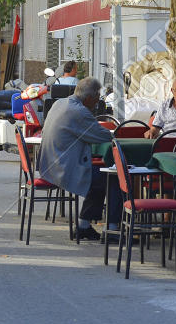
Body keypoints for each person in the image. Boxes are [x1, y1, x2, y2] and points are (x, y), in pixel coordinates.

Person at [35, 77, 121, 242]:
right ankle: (112, 229)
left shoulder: (61, 103)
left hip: (51, 165)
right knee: (114, 177)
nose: (97, 103)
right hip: (63, 168)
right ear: (89, 98)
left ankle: (84, 226)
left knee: (101, 176)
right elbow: (103, 136)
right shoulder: (79, 112)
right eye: (97, 98)